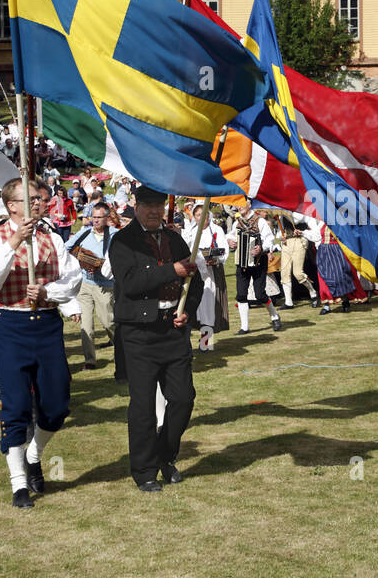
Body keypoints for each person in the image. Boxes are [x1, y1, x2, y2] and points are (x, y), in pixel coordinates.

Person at [0, 176, 83, 508]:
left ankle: (34, 454)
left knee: (57, 403)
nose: (38, 203)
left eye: (39, 198)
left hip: (47, 325)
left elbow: (73, 278)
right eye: (30, 199)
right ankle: (18, 482)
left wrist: (49, 292)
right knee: (17, 404)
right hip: (11, 326)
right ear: (11, 205)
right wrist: (14, 242)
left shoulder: (51, 236)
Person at [109, 184, 197, 493]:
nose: (153, 210)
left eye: (158, 205)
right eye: (147, 204)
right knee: (143, 407)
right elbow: (131, 283)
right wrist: (171, 269)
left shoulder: (175, 238)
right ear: (135, 205)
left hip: (172, 331)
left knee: (184, 398)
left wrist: (189, 312)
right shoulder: (121, 241)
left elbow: (192, 280)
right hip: (138, 335)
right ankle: (144, 471)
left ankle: (165, 455)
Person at [66, 203, 116, 370]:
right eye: (93, 217)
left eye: (99, 217)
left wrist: (107, 265)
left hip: (105, 285)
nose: (95, 220)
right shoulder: (84, 232)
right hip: (85, 283)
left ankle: (122, 349)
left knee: (108, 321)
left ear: (107, 218)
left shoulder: (115, 235)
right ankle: (90, 361)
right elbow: (66, 248)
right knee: (86, 325)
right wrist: (79, 256)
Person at [181, 201, 230, 349]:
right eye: (197, 215)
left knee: (208, 306)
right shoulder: (191, 231)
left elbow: (223, 250)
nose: (201, 217)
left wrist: (215, 259)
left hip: (211, 275)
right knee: (192, 306)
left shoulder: (216, 230)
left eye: (203, 215)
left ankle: (205, 343)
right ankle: (186, 342)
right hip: (193, 273)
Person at [229, 204, 283, 333]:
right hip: (242, 262)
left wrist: (261, 248)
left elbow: (269, 239)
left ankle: (275, 316)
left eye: (241, 203)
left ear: (249, 204)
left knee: (260, 295)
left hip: (259, 261)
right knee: (241, 294)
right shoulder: (237, 222)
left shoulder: (260, 221)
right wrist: (230, 241)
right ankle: (244, 327)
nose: (238, 206)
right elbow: (230, 236)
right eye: (237, 204)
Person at [277, 211, 319, 309]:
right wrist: (281, 236)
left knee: (298, 273)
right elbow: (280, 230)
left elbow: (315, 231)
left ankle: (313, 292)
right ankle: (288, 302)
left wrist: (303, 232)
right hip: (287, 242)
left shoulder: (304, 211)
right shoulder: (281, 213)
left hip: (300, 240)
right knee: (284, 272)